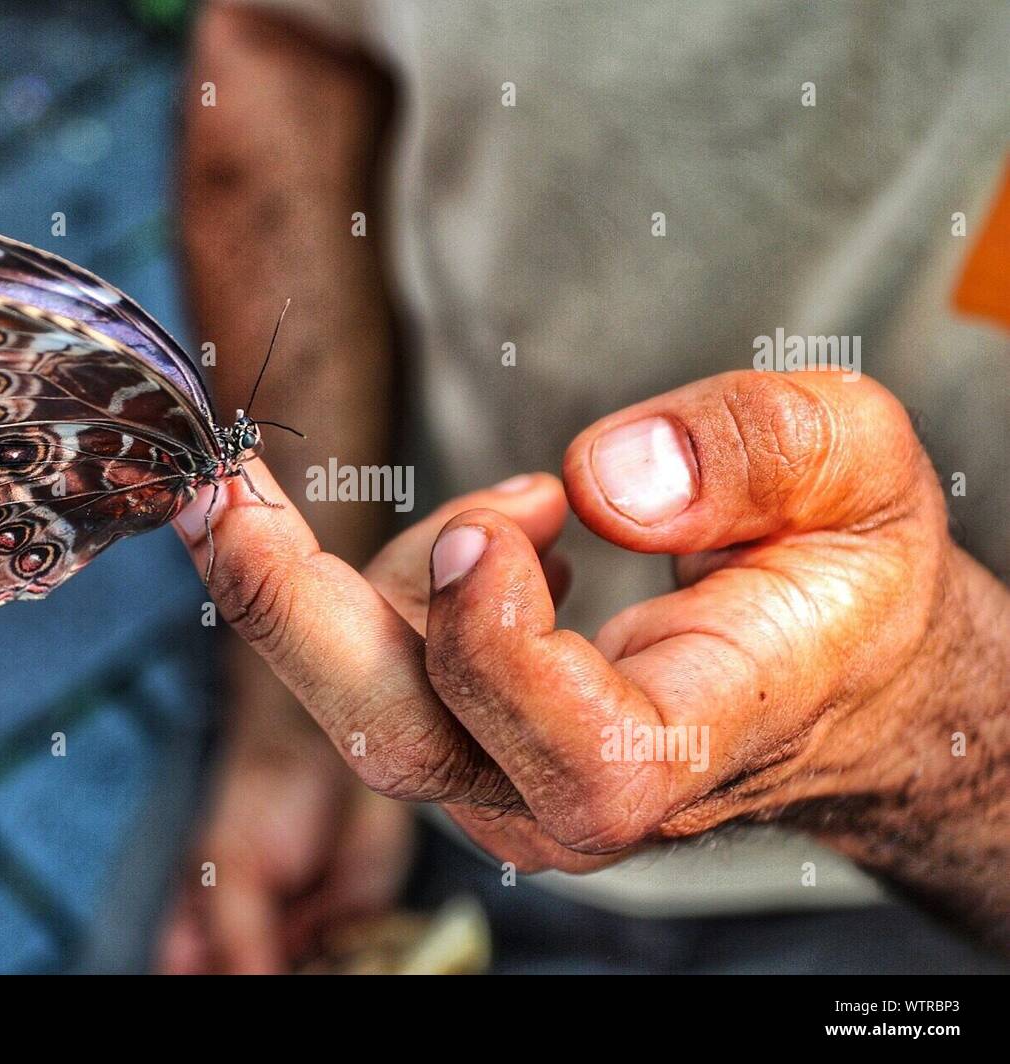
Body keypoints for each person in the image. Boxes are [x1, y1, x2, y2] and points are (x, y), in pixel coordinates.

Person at [158, 0, 1010, 973]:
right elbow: (280, 41)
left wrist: (925, 732)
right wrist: (293, 715)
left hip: (907, 915)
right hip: (380, 724)